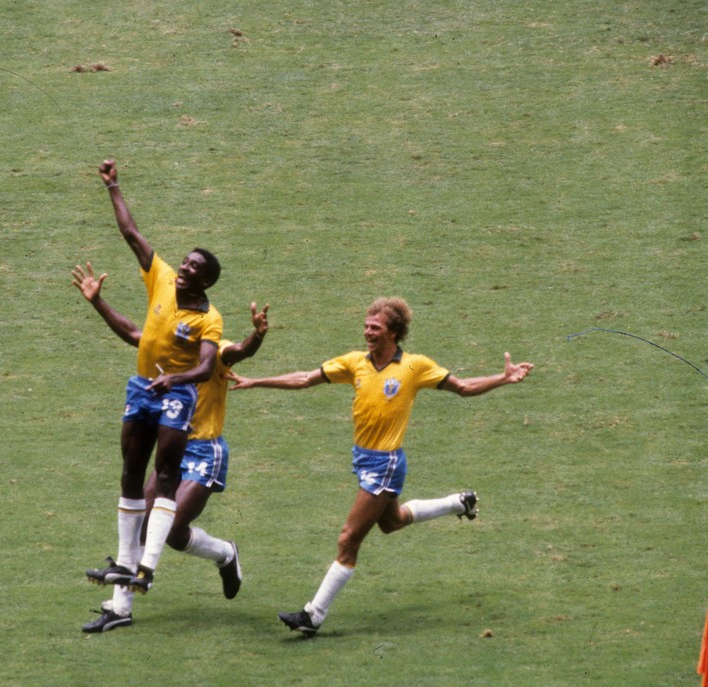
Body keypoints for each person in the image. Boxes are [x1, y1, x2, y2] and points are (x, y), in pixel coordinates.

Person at [228, 296, 533, 636]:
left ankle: (313, 615)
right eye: (366, 326)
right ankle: (458, 503)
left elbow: (462, 388)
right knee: (393, 522)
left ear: (394, 333)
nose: (367, 333)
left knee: (348, 540)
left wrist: (503, 378)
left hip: (385, 464)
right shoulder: (354, 362)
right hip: (363, 459)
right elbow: (304, 378)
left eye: (375, 328)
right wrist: (257, 381)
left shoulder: (414, 367)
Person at [72, 261, 269, 632]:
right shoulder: (169, 347)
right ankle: (120, 608)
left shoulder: (213, 346)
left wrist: (257, 336)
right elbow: (135, 333)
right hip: (171, 444)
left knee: (174, 526)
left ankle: (225, 554)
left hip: (204, 450)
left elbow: (240, 351)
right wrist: (99, 303)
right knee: (151, 529)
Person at [85, 159, 224, 604]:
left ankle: (147, 567)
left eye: (193, 266)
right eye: (184, 261)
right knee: (130, 471)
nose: (183, 267)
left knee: (164, 476)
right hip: (142, 386)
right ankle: (127, 562)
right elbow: (132, 234)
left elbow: (206, 368)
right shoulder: (161, 277)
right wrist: (114, 187)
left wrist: (175, 380)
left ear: (206, 280)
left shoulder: (209, 318)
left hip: (177, 394)